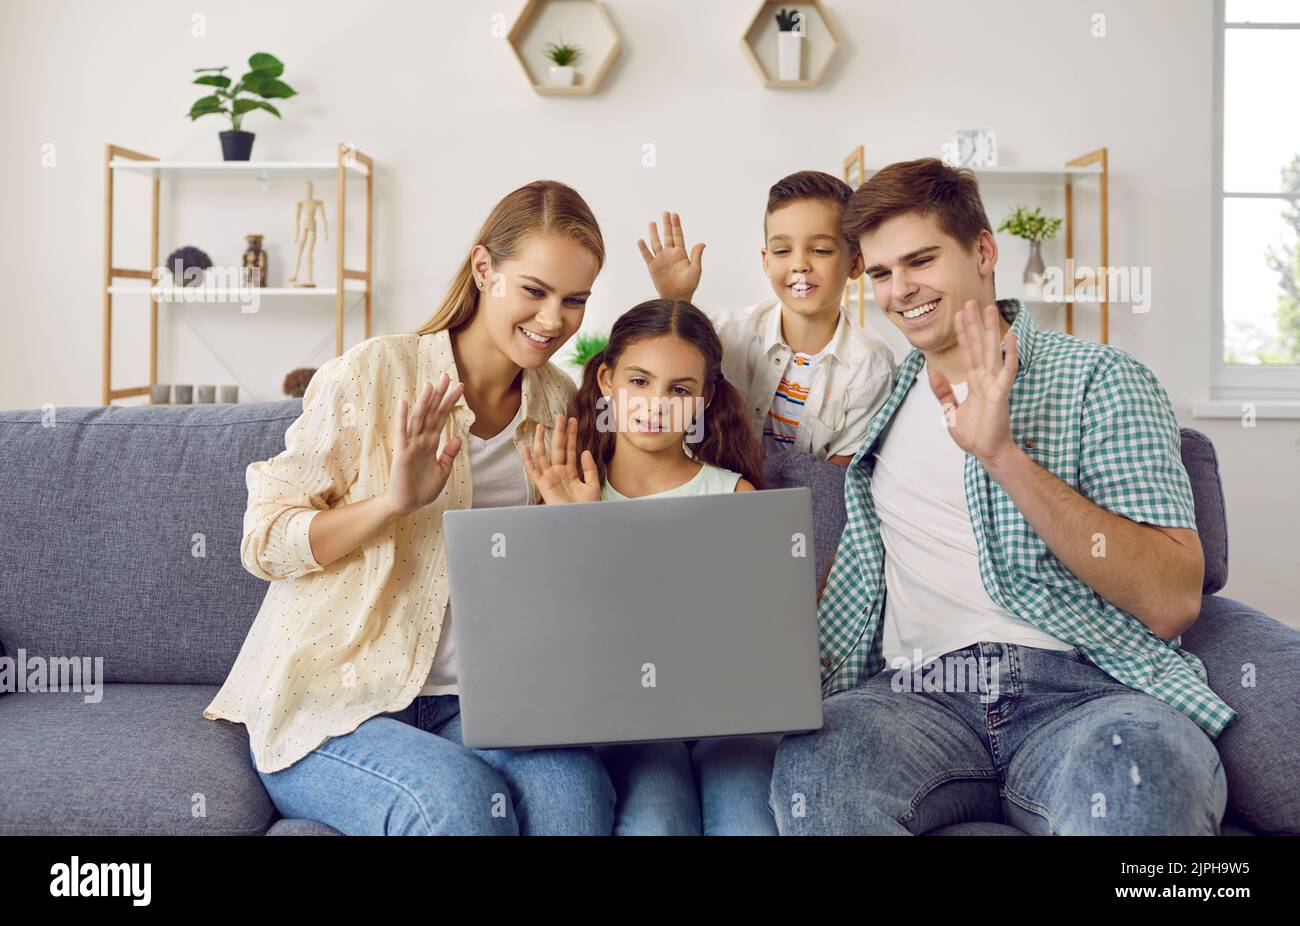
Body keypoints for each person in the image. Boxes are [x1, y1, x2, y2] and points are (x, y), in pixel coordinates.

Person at [771, 158, 1234, 835]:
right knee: (818, 779)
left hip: (1088, 696)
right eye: (881, 273)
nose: (901, 290)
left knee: (1143, 785)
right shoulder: (882, 401)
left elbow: (1170, 602)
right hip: (912, 700)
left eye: (921, 261)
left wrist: (1002, 454)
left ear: (984, 251)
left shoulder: (1100, 381)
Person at [203, 180, 616, 835]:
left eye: (574, 301)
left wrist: (573, 531)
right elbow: (265, 540)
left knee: (577, 800)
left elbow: (550, 593)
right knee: (460, 806)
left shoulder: (559, 404)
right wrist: (392, 501)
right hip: (336, 699)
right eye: (534, 291)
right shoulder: (372, 374)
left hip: (478, 699)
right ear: (484, 270)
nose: (552, 321)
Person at [521, 298, 777, 835]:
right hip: (626, 725)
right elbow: (555, 646)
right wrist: (580, 531)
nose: (655, 403)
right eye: (639, 382)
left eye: (679, 390)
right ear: (608, 380)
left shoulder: (734, 495)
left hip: (729, 720)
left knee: (749, 821)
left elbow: (762, 638)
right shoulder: (569, 495)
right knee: (656, 821)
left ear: (704, 399)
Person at [639, 171, 895, 464]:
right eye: (782, 250)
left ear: (855, 262)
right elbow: (669, 385)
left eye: (821, 250)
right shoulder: (728, 335)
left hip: (804, 503)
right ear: (766, 261)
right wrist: (677, 300)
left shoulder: (869, 367)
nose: (799, 264)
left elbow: (835, 480)